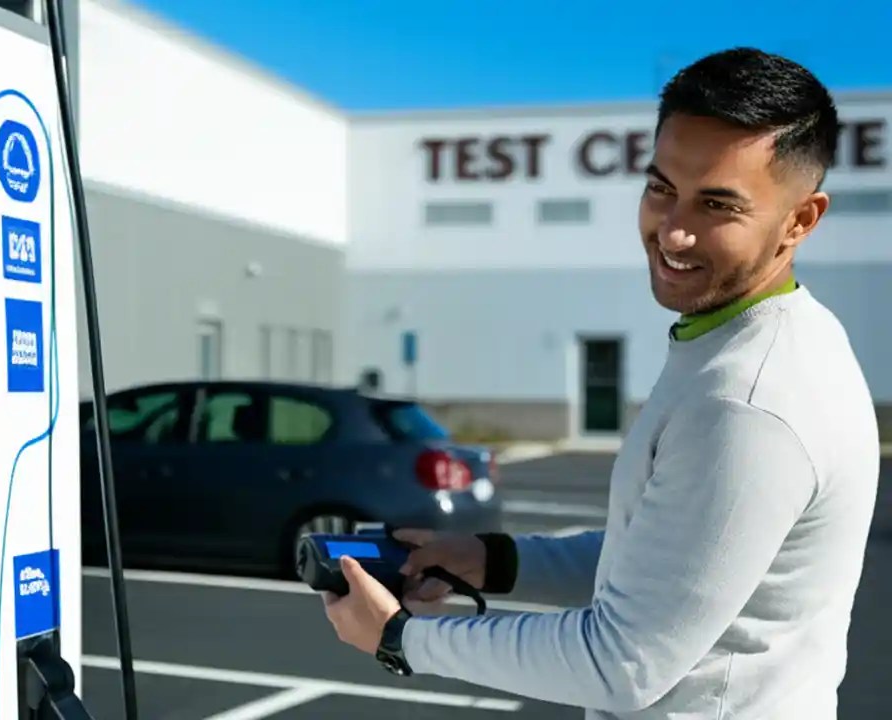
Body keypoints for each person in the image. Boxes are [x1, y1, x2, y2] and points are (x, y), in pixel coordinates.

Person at [321, 47, 881, 719]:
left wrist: (399, 638)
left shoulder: (746, 404)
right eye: (660, 188)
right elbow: (662, 562)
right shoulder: (769, 340)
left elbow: (623, 663)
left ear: (800, 220)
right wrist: (491, 560)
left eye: (717, 205)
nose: (673, 230)